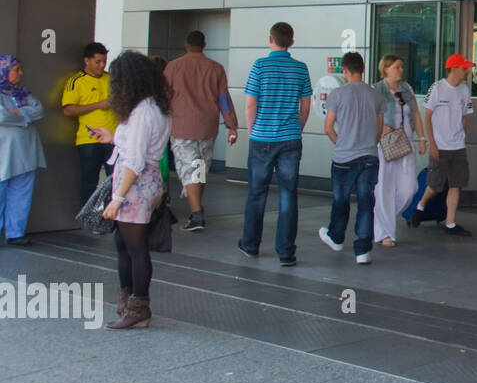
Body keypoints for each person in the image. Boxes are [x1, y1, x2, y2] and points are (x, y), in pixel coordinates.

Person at [95, 51, 173, 329]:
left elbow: (136, 159)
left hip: (135, 185)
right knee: (126, 246)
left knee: (135, 249)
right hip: (145, 181)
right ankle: (131, 304)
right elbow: (138, 147)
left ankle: (137, 307)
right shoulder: (156, 106)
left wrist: (117, 199)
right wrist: (113, 137)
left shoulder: (141, 111)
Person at [238, 23, 313, 266]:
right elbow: (305, 106)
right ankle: (286, 252)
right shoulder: (301, 69)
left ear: (270, 38)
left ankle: (250, 245)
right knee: (288, 194)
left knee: (257, 193)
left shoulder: (260, 66)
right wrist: (296, 129)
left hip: (261, 138)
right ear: (292, 42)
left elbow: (251, 104)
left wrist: (253, 130)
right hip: (290, 138)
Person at [164, 31, 238, 232]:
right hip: (207, 127)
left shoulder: (173, 67)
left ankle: (197, 216)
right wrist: (231, 125)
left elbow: (163, 97)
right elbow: (223, 98)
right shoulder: (216, 68)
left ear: (186, 44)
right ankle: (197, 208)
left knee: (190, 169)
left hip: (182, 127)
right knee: (200, 168)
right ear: (204, 44)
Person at [319, 52, 385, 264]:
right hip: (369, 157)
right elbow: (379, 129)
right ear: (363, 69)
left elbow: (328, 127)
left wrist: (341, 143)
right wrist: (368, 145)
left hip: (343, 158)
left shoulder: (337, 94)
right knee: (366, 202)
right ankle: (363, 251)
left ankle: (336, 237)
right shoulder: (376, 95)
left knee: (341, 200)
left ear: (345, 71)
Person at [412, 54, 475, 236]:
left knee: (456, 184)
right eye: (464, 68)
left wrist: (461, 134)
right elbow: (428, 116)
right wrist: (432, 143)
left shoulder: (465, 90)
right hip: (440, 145)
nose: (467, 71)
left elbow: (465, 116)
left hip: (458, 146)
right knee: (435, 184)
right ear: (454, 68)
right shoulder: (437, 88)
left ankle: (450, 223)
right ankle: (420, 206)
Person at [372, 54, 426, 247]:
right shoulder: (376, 89)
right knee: (384, 187)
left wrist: (421, 137)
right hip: (386, 142)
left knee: (409, 188)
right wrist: (380, 127)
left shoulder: (406, 88)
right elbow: (370, 115)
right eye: (397, 67)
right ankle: (384, 231)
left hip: (406, 141)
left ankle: (380, 220)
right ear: (386, 68)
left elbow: (416, 114)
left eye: (401, 66)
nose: (401, 70)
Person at [62, 41, 116, 206]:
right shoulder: (76, 81)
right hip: (89, 139)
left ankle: (114, 215)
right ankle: (89, 215)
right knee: (89, 181)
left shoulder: (112, 79)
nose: (101, 65)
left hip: (114, 138)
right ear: (87, 61)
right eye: (97, 61)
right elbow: (68, 110)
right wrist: (98, 105)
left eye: (104, 62)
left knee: (116, 179)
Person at [0, 55, 45, 246]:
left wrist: (19, 113)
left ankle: (15, 233)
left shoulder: (23, 92)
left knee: (22, 190)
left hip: (26, 150)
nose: (20, 73)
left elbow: (39, 110)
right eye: (16, 69)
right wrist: (25, 116)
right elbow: (2, 116)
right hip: (4, 151)